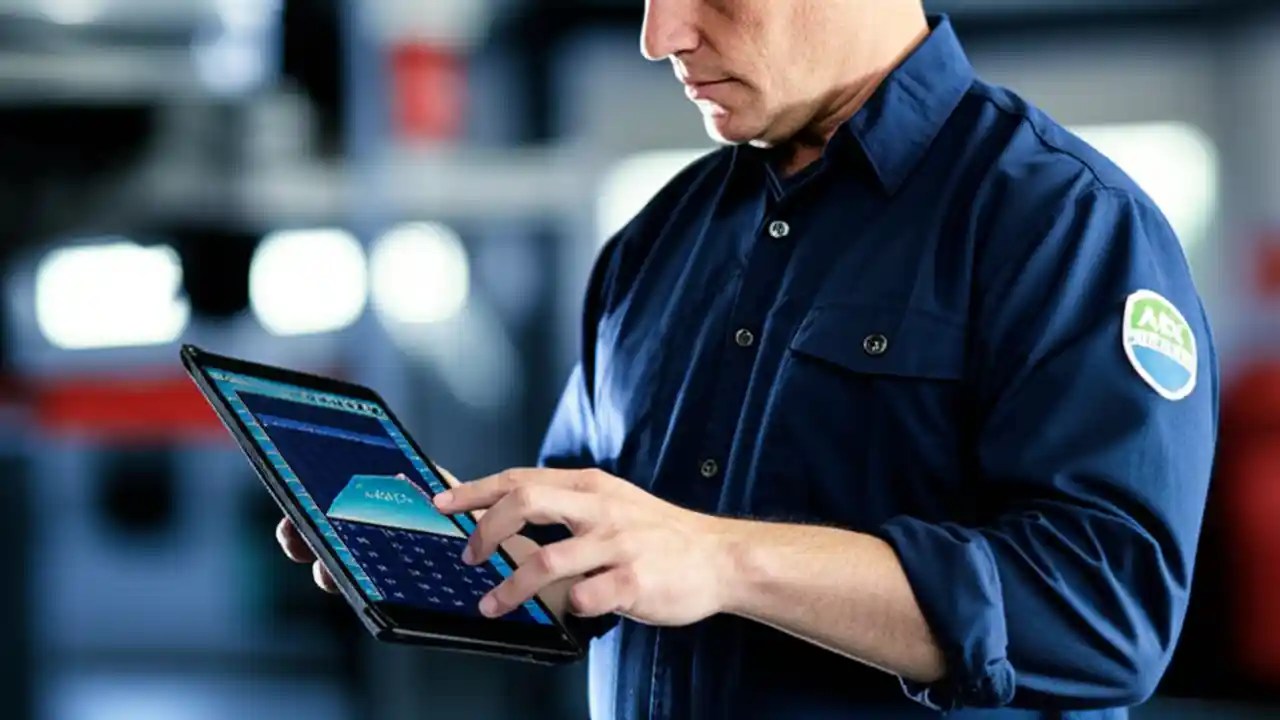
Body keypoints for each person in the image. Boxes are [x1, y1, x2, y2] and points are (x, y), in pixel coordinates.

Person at [277, 1, 1219, 718]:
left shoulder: (1063, 223)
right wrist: (467, 539)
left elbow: (1106, 613)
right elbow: (595, 553)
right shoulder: (658, 240)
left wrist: (727, 559)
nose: (659, 35)